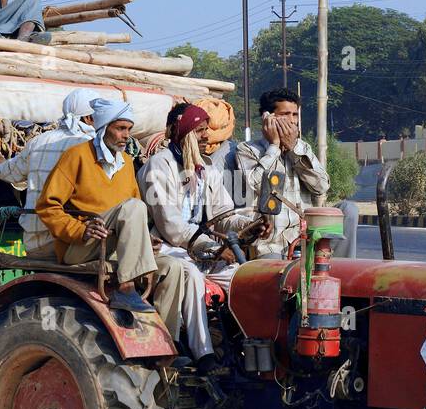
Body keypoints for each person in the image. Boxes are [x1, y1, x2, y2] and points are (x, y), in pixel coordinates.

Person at [35, 98, 196, 359]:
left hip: (116, 249)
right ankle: (125, 289)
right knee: (133, 207)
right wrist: (80, 230)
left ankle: (165, 347)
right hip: (81, 247)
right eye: (120, 128)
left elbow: (135, 216)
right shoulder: (76, 157)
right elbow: (47, 207)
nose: (125, 136)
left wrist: (146, 239)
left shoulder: (127, 164)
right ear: (103, 127)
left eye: (129, 129)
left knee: (175, 268)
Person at [139, 103, 263, 291]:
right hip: (168, 248)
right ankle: (192, 323)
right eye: (199, 130)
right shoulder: (160, 165)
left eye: (207, 130)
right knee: (193, 279)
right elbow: (171, 227)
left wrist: (249, 226)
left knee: (246, 283)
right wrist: (212, 247)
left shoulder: (206, 168)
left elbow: (224, 215)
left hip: (202, 249)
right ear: (182, 133)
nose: (207, 136)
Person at [235, 88, 358, 259]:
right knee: (271, 267)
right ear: (267, 117)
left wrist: (293, 150)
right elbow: (253, 184)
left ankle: (343, 270)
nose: (292, 121)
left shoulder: (302, 147)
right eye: (286, 114)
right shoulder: (247, 150)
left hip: (307, 237)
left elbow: (321, 186)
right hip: (271, 245)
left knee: (348, 209)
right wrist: (274, 147)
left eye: (295, 115)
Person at [0, 88, 100, 258]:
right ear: (88, 118)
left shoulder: (40, 141)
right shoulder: (92, 146)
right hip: (73, 240)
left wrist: (0, 165)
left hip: (34, 243)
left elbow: (10, 173)